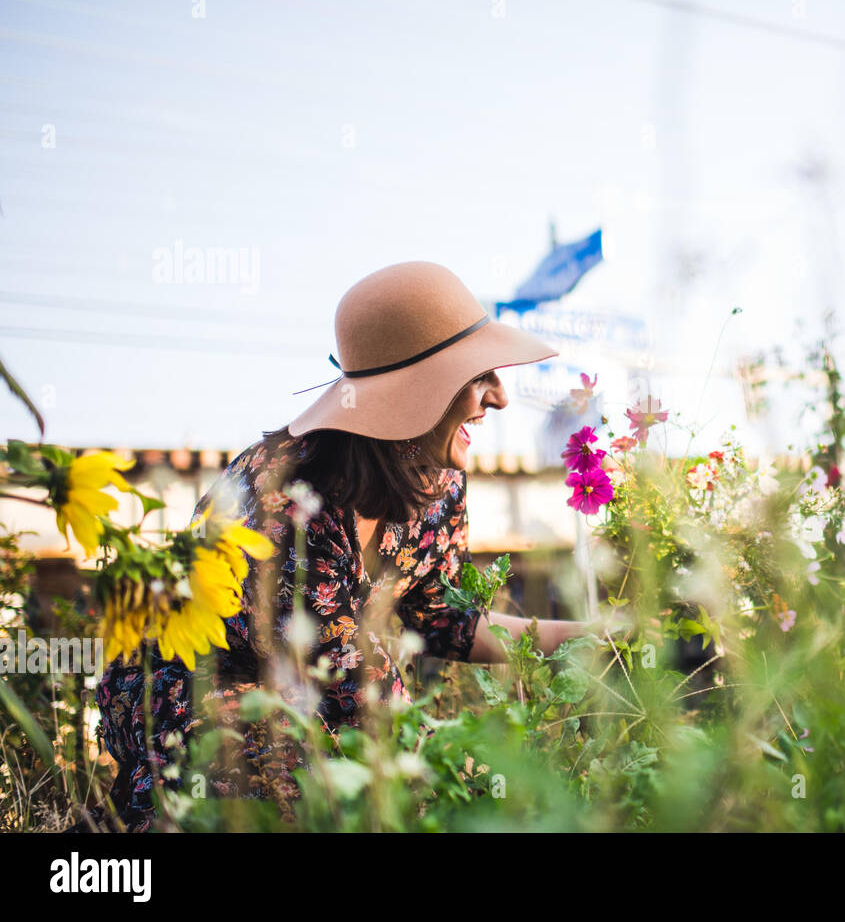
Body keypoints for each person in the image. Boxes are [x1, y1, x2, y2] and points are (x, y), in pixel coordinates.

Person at [93, 261, 614, 830]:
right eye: (478, 375)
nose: (500, 397)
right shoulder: (290, 502)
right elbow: (349, 685)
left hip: (304, 694)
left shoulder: (436, 482)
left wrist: (584, 639)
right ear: (417, 390)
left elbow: (441, 616)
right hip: (193, 685)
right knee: (282, 792)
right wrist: (456, 773)